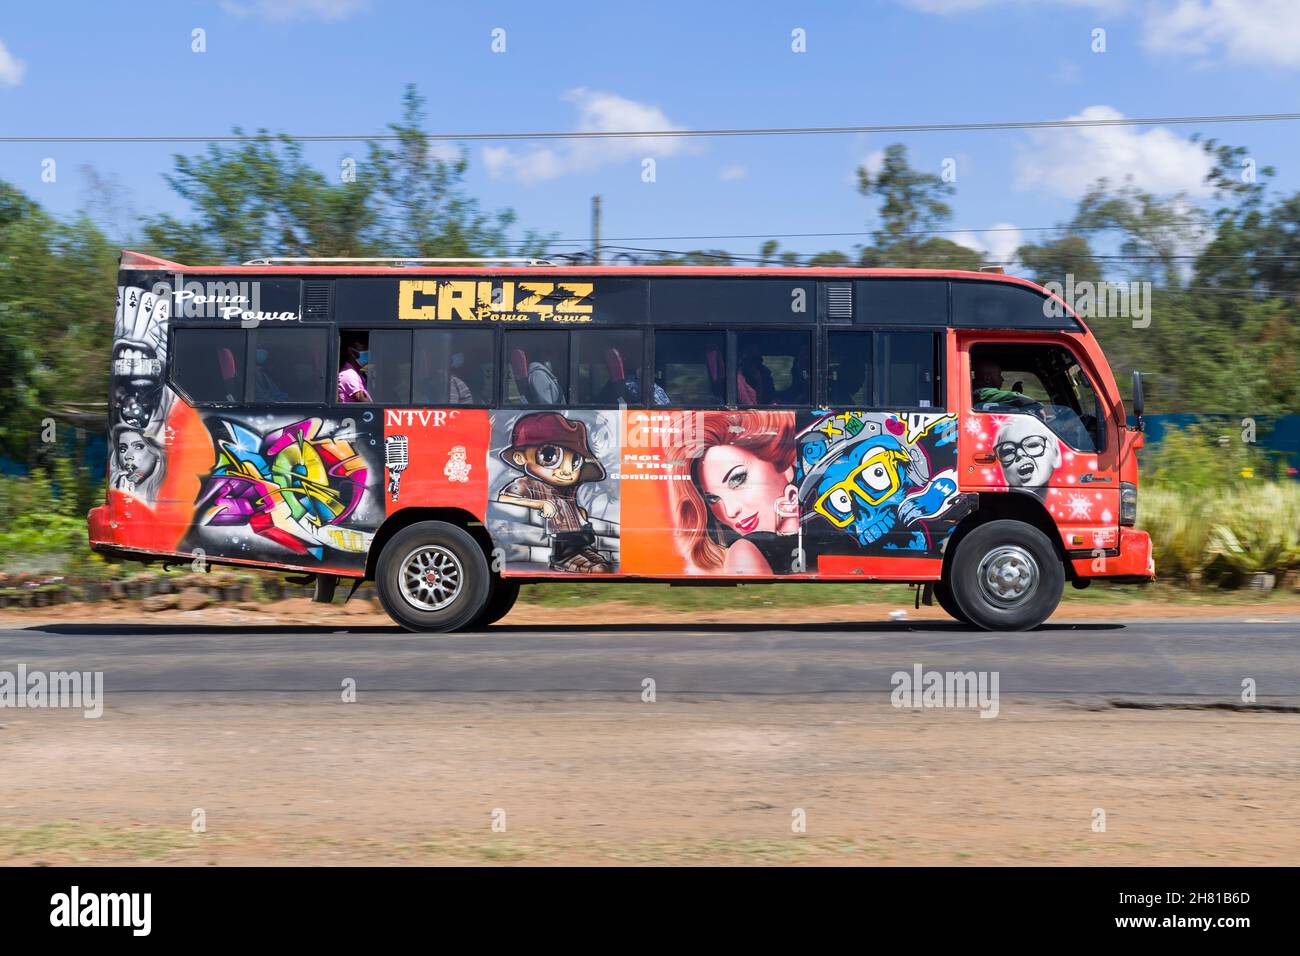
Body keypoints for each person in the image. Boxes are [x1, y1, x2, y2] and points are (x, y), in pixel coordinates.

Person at [665, 410, 801, 575]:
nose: (730, 512)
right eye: (712, 498)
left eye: (737, 480)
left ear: (784, 466)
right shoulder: (744, 553)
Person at [496, 412, 611, 572]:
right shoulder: (527, 484)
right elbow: (503, 499)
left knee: (602, 566)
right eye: (549, 456)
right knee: (598, 569)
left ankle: (581, 550)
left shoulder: (567, 490)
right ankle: (561, 559)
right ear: (520, 458)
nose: (567, 471)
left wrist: (580, 513)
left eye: (575, 462)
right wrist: (539, 504)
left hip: (577, 540)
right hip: (561, 547)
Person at [338, 337, 372, 403]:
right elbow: (362, 400)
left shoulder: (359, 373)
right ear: (352, 352)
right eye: (364, 348)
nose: (367, 352)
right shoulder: (348, 374)